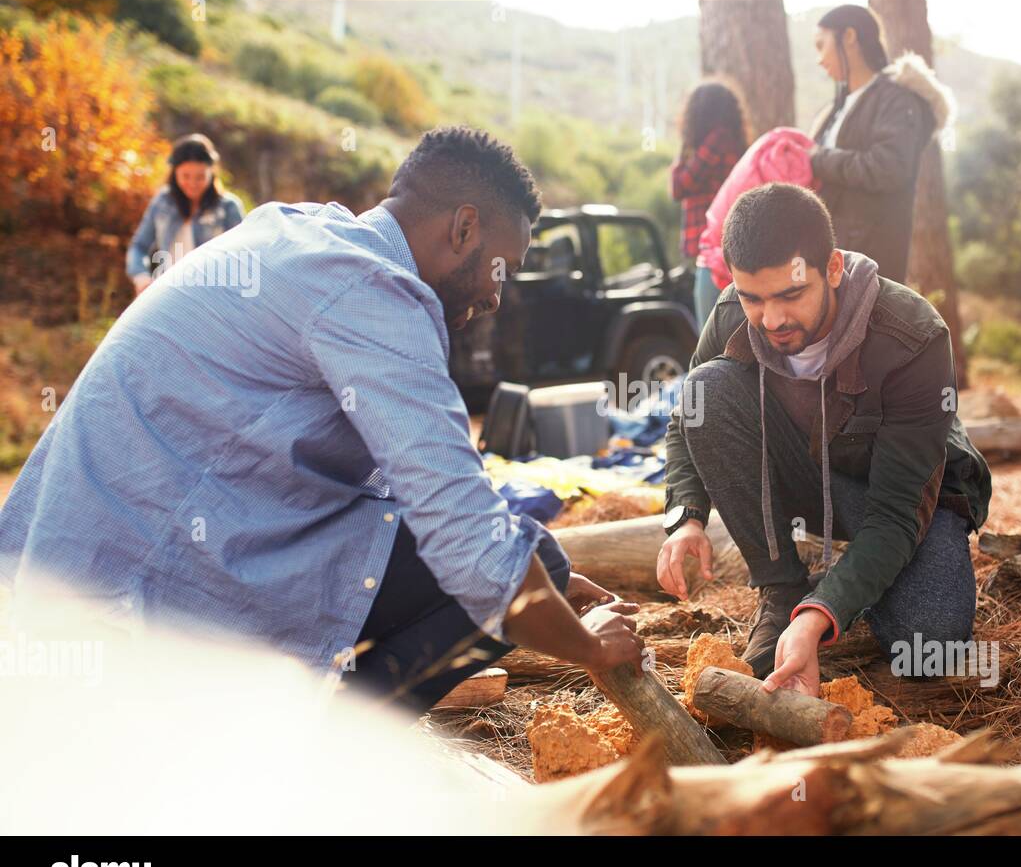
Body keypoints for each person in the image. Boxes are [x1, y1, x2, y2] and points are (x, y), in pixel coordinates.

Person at [0, 126, 643, 714]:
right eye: (506, 268)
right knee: (526, 567)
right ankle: (326, 758)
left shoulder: (293, 230)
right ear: (464, 227)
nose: (498, 295)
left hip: (68, 554)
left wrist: (527, 563)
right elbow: (466, 534)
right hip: (134, 589)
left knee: (530, 556)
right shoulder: (373, 291)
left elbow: (415, 478)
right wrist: (586, 647)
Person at [657, 183, 991, 692]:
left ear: (832, 269)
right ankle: (781, 586)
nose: (771, 319)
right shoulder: (731, 313)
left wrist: (820, 614)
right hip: (809, 475)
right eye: (753, 297)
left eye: (791, 295)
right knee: (706, 387)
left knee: (928, 647)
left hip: (904, 497)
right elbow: (689, 418)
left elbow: (894, 514)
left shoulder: (914, 336)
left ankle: (844, 589)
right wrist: (687, 515)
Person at [808, 4, 954, 283]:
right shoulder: (838, 106)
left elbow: (888, 167)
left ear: (849, 37)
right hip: (830, 256)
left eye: (821, 45)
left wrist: (818, 158)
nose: (819, 58)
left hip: (868, 262)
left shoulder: (896, 100)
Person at [670, 79, 749, 329]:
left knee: (710, 331)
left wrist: (684, 148)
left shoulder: (717, 140)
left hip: (714, 246)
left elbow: (680, 185)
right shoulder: (727, 140)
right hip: (720, 246)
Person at [126, 133, 245, 294]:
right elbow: (139, 246)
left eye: (200, 177)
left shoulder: (228, 208)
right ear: (175, 173)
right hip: (166, 293)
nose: (192, 184)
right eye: (185, 176)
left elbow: (242, 259)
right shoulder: (162, 202)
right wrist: (141, 276)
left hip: (211, 297)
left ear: (212, 172)